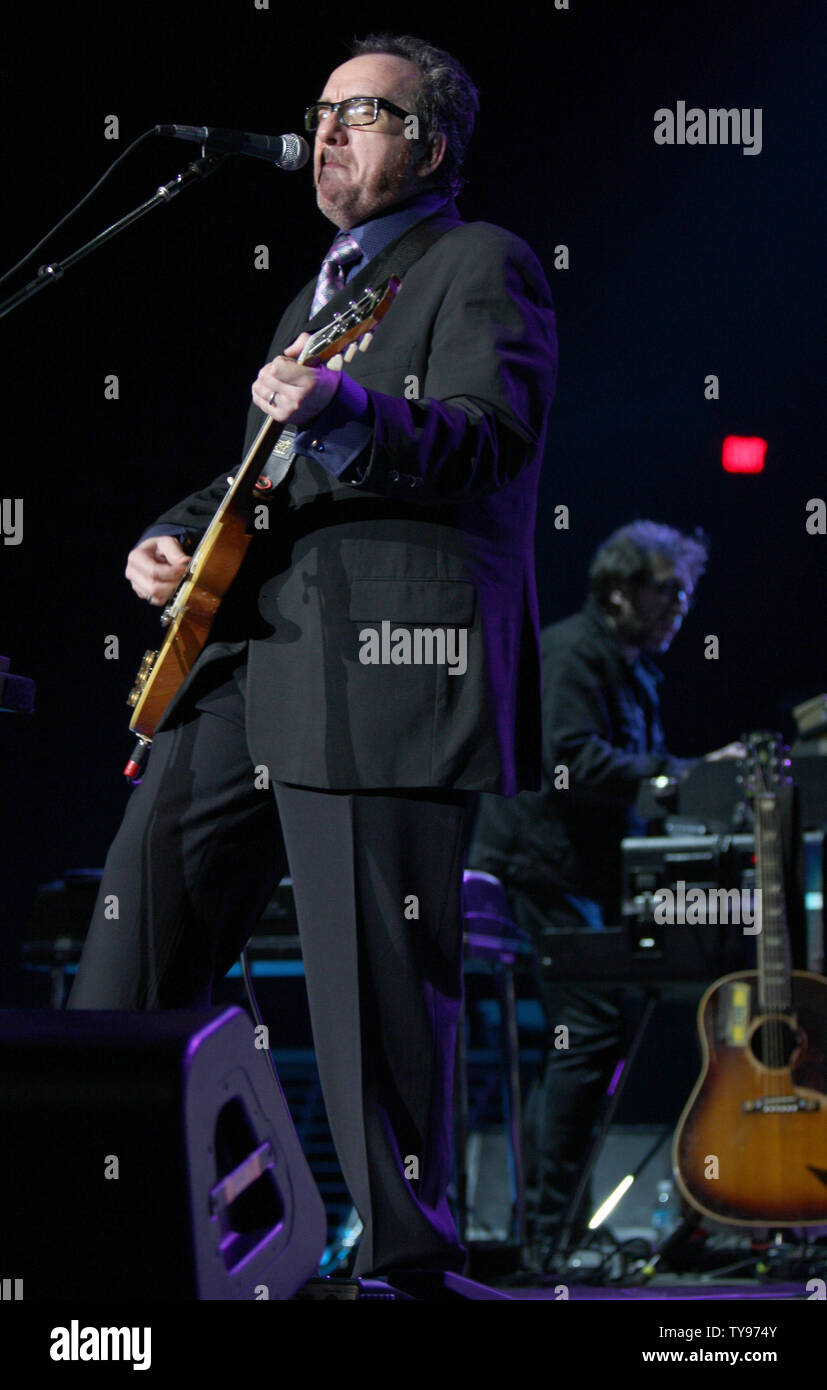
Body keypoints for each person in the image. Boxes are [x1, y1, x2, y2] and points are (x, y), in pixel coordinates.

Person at [67, 33, 558, 1288]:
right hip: (249, 663)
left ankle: (405, 1263)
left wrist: (339, 407)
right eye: (324, 109)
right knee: (131, 944)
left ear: (431, 148)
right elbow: (250, 484)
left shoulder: (475, 263)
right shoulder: (314, 300)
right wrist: (171, 537)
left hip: (385, 671)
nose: (330, 130)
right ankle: (95, 1226)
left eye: (367, 112)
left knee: (373, 992)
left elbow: (484, 440)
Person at [468, 521, 742, 1253]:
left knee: (590, 1038)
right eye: (669, 594)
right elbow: (569, 759)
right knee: (585, 1036)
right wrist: (677, 777)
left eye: (685, 597)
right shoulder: (572, 652)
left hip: (578, 874)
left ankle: (554, 1231)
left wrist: (683, 778)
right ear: (619, 591)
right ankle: (548, 1239)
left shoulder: (629, 665)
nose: (679, 610)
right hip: (538, 869)